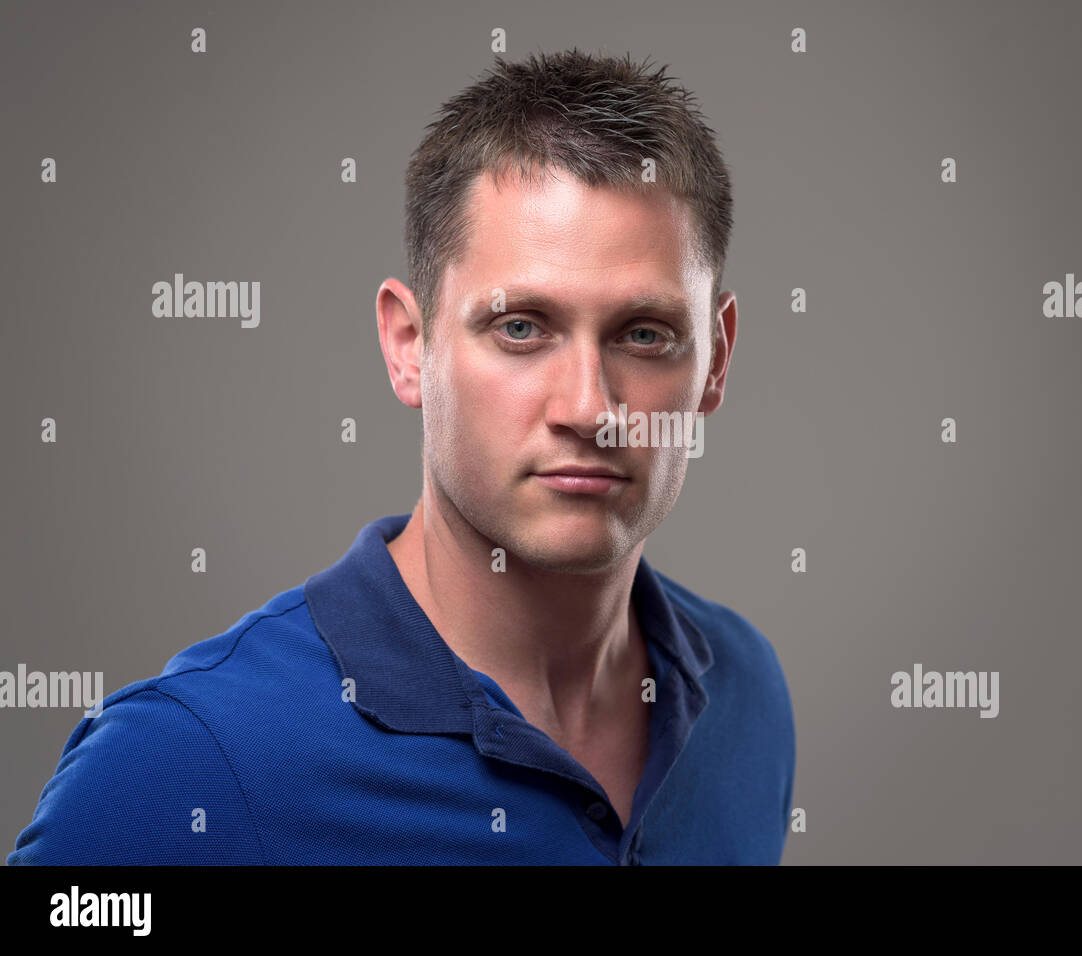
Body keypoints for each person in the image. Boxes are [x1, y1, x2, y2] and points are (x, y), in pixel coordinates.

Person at [9, 48, 795, 866]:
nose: (589, 409)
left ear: (717, 360)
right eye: (520, 327)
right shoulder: (184, 766)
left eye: (644, 334)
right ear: (408, 346)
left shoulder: (745, 697)